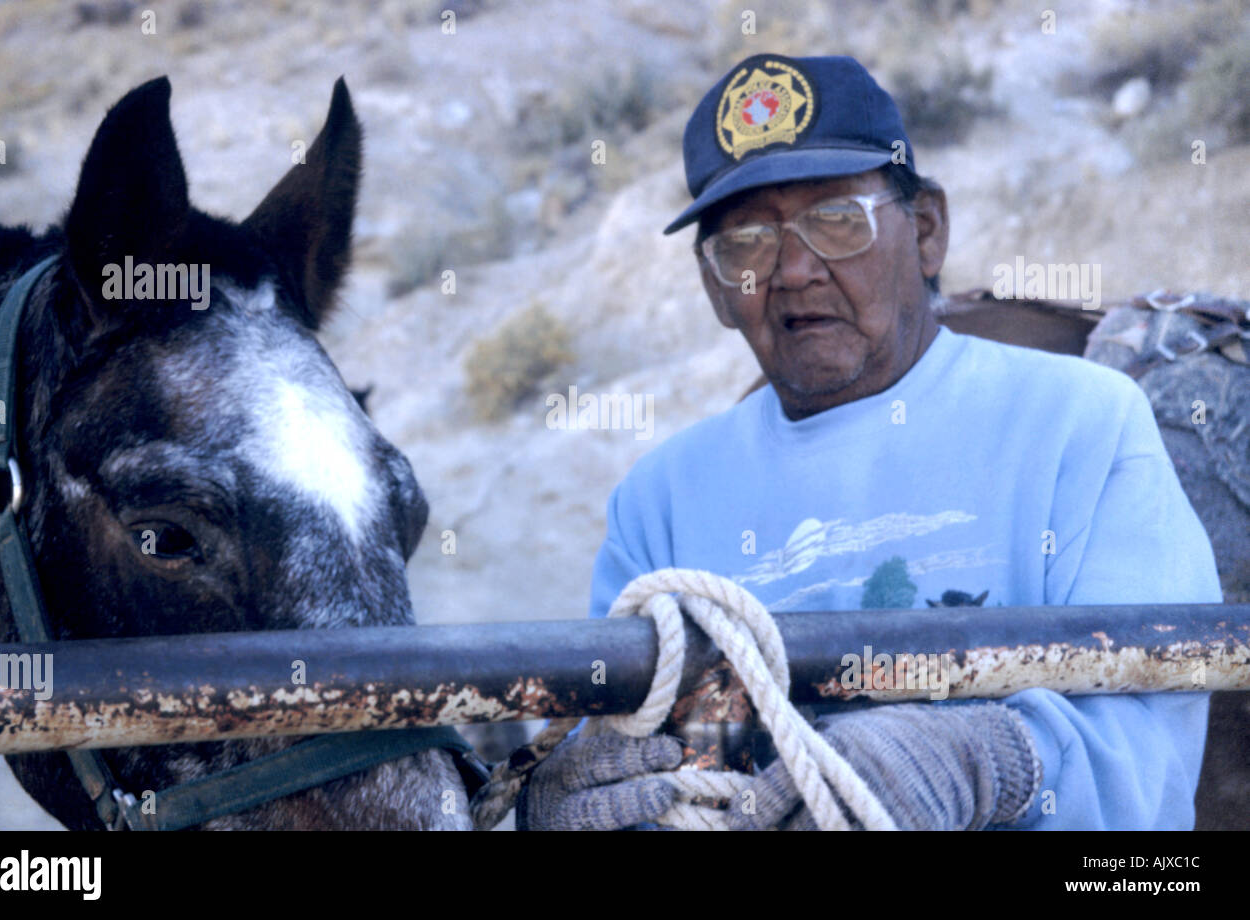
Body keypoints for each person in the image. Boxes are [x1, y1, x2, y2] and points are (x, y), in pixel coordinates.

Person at [516, 53, 1222, 831]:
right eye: (745, 242)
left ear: (925, 232)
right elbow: (608, 753)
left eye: (837, 220)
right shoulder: (659, 501)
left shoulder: (1081, 425)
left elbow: (1148, 762)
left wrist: (986, 762)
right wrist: (559, 802)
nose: (791, 270)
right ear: (718, 288)